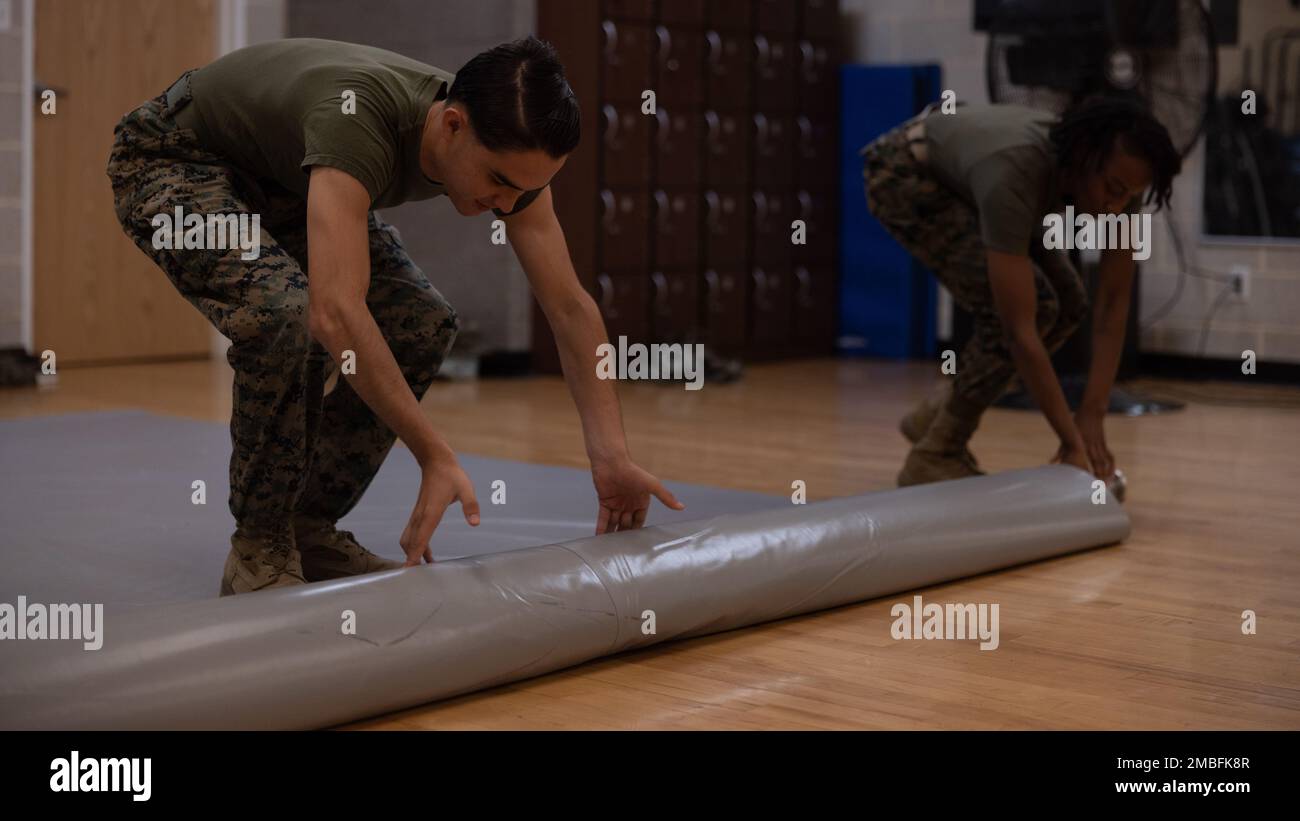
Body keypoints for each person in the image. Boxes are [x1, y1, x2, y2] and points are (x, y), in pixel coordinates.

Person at [108, 36, 683, 595]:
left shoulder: (515, 170)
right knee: (287, 317)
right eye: (499, 183)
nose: (507, 206)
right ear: (452, 125)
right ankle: (260, 546)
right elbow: (335, 312)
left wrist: (613, 459)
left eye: (524, 191)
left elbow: (569, 306)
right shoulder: (357, 117)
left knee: (419, 319)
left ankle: (307, 530)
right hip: (175, 160)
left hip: (280, 181)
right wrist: (433, 452)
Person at [860, 97, 1180, 487]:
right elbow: (1018, 331)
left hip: (971, 176)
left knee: (1070, 304)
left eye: (1129, 196)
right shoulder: (1016, 169)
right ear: (1083, 157)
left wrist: (1092, 414)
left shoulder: (1119, 183)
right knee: (1026, 312)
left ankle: (936, 416)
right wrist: (1072, 442)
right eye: (1112, 190)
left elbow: (1113, 304)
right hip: (907, 174)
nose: (1116, 208)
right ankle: (936, 452)